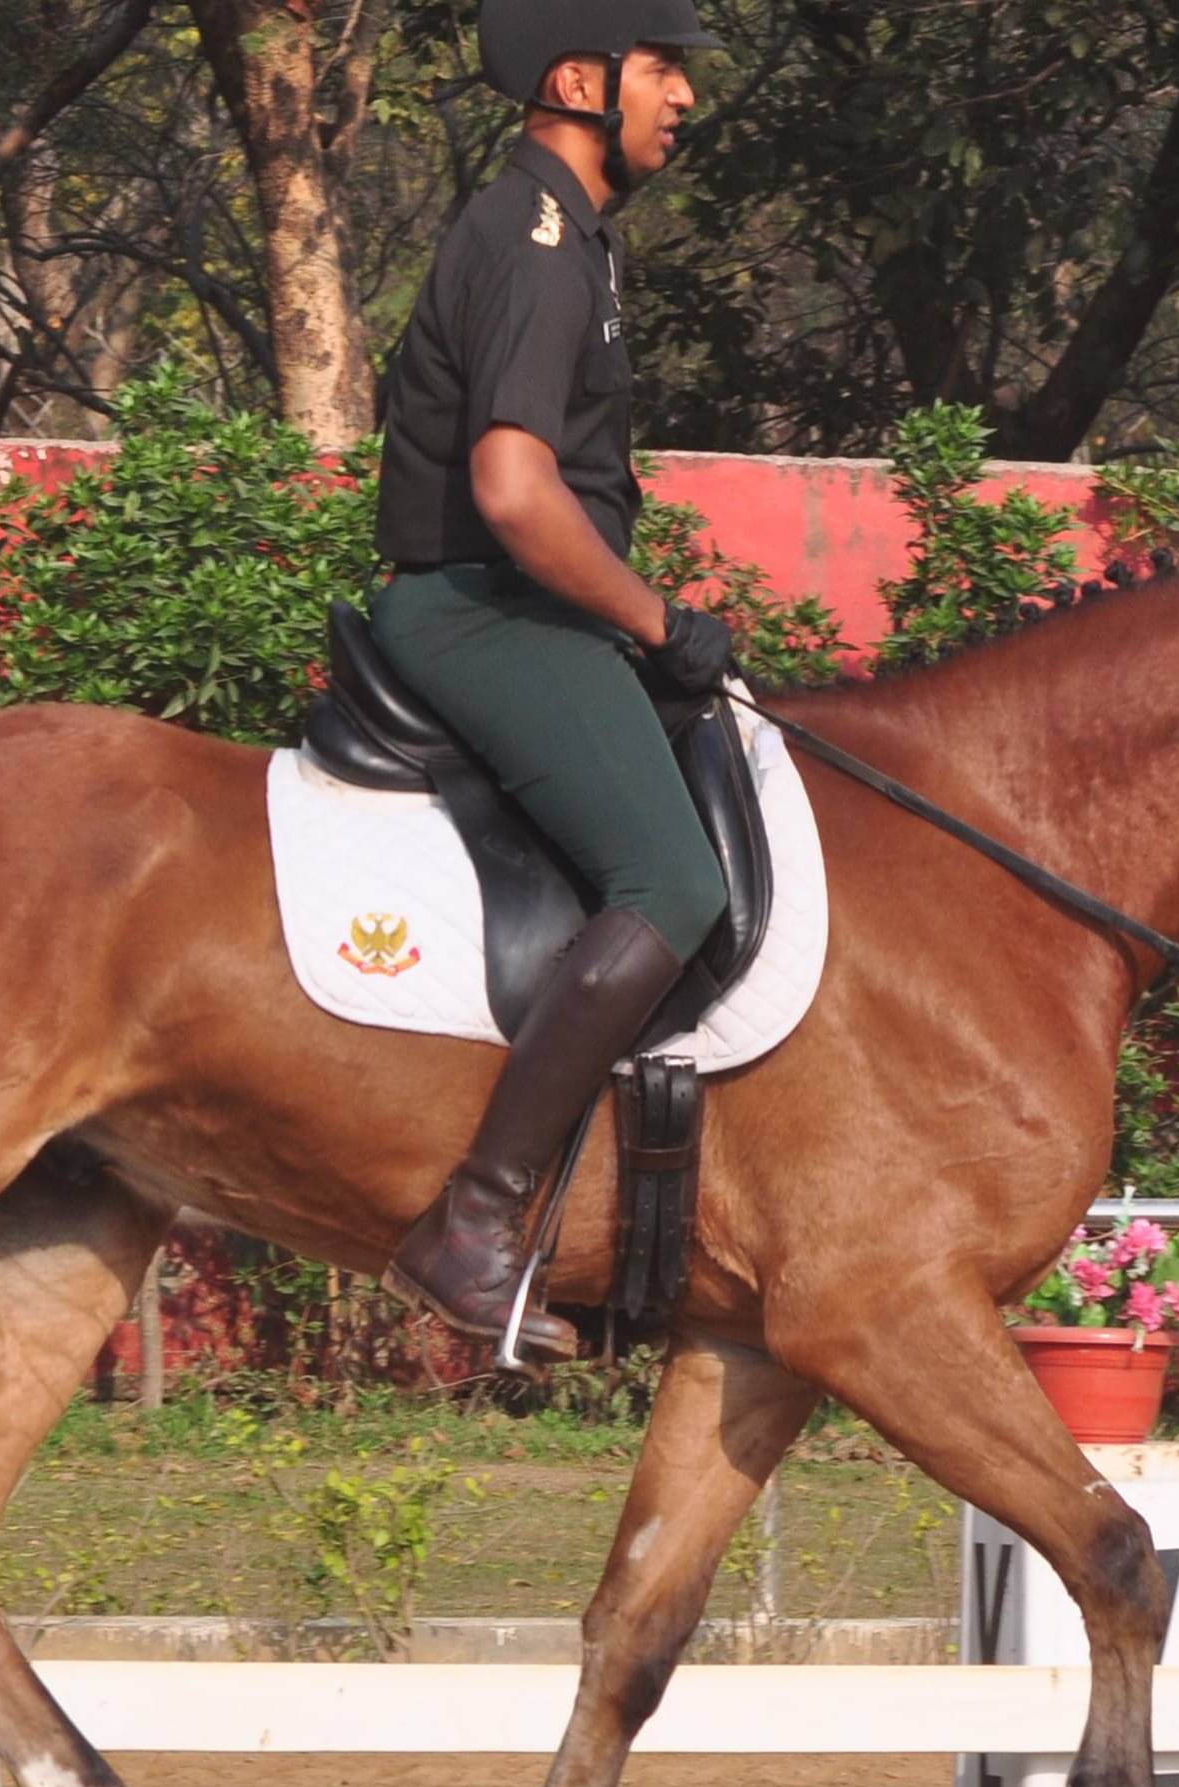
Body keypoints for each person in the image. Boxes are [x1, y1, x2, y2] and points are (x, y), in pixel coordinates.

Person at [370, 0, 744, 1360]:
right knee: (679, 881)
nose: (685, 100)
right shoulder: (533, 244)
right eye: (665, 70)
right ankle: (475, 1219)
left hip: (520, 609)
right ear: (579, 81)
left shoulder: (568, 239)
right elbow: (517, 495)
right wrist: (657, 623)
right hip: (485, 610)